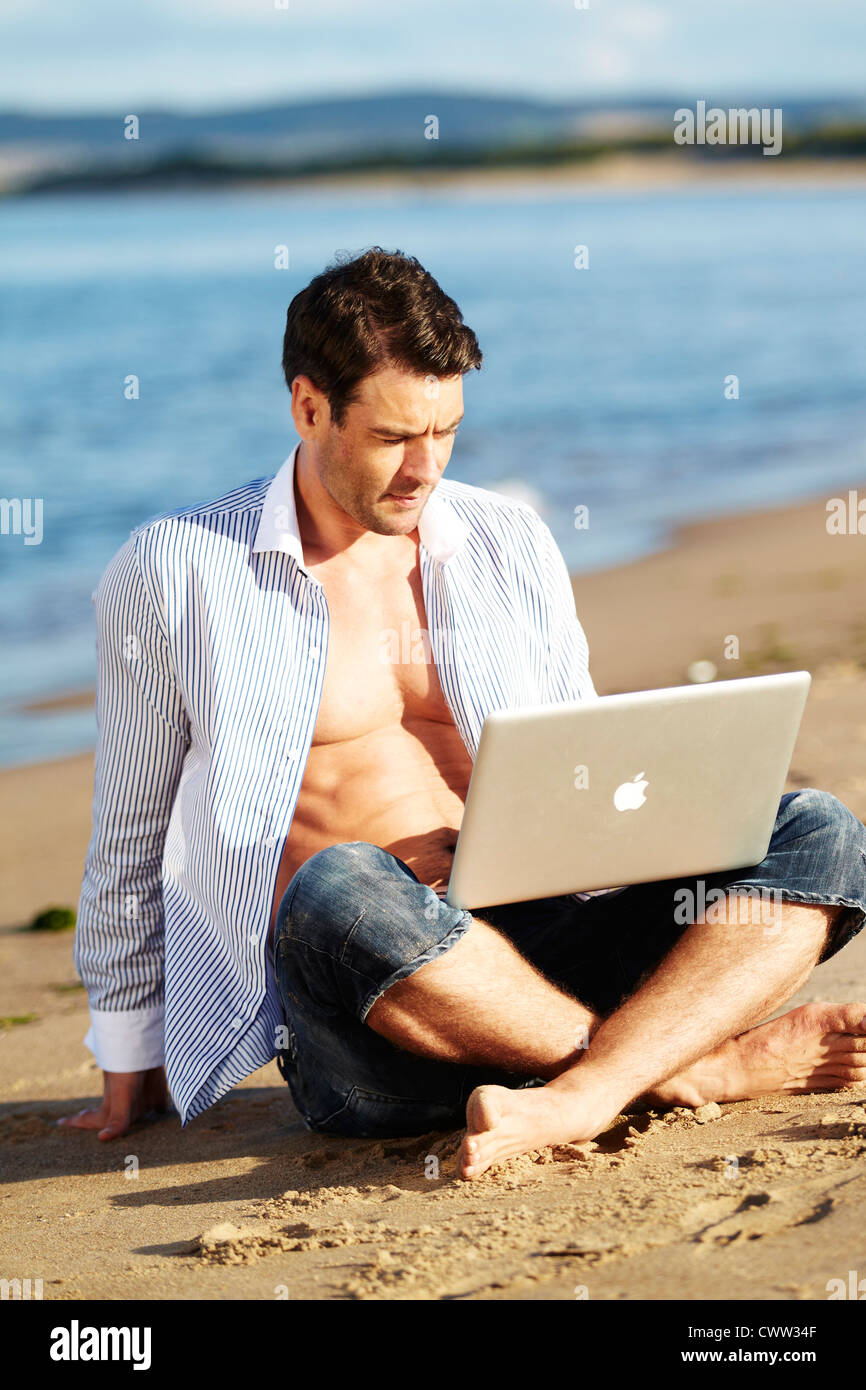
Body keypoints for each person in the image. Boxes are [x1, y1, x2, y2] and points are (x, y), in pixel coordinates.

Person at [62, 247, 866, 1181]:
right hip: (383, 1016)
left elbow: (588, 762)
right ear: (308, 406)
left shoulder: (507, 539)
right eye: (396, 436)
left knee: (820, 829)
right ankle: (693, 1062)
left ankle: (590, 1083)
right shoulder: (176, 571)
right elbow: (130, 826)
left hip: (552, 953)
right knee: (336, 885)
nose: (425, 467)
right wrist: (129, 1048)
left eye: (446, 432)